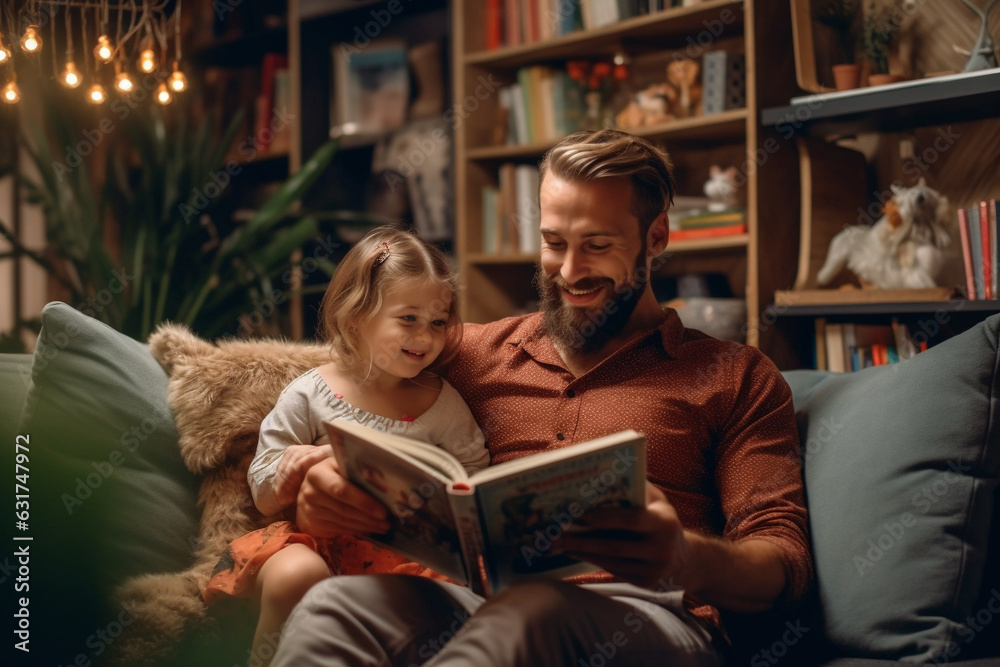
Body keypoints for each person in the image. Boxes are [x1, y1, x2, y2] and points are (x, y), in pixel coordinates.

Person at [275, 129, 813, 666]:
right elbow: (354, 378)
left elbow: (784, 564)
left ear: (656, 237)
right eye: (555, 243)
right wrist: (318, 490)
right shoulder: (467, 354)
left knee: (531, 613)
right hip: (475, 604)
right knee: (334, 606)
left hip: (649, 618)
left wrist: (686, 559)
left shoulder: (735, 375)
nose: (571, 272)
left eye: (598, 246)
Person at [201, 226, 490, 665]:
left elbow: (474, 474)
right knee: (296, 575)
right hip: (315, 543)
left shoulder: (442, 402)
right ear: (356, 315)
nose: (425, 336)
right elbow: (260, 485)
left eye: (437, 322)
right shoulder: (312, 392)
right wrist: (291, 470)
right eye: (408, 318)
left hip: (403, 557)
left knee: (445, 599)